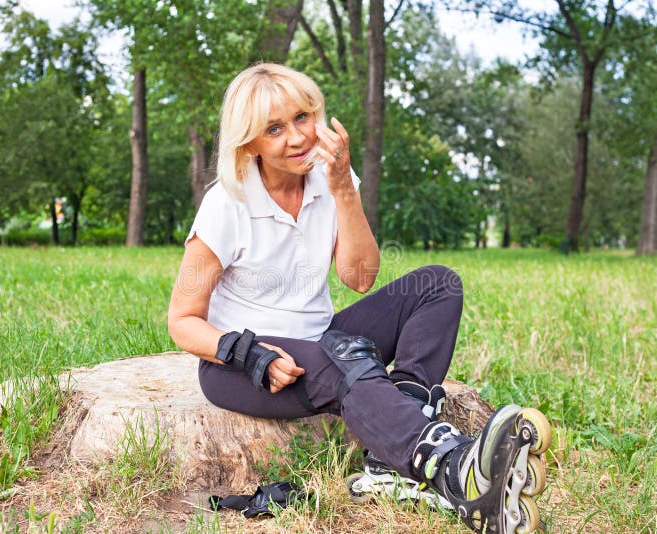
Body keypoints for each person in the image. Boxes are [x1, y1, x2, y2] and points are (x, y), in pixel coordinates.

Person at [168, 63, 551, 534]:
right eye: (274, 129)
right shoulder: (226, 204)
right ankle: (453, 468)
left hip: (323, 342)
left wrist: (343, 189)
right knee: (343, 362)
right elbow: (182, 320)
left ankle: (391, 459)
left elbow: (360, 277)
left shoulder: (331, 180)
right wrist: (250, 354)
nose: (297, 137)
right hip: (241, 366)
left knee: (437, 285)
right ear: (250, 144)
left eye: (303, 117)